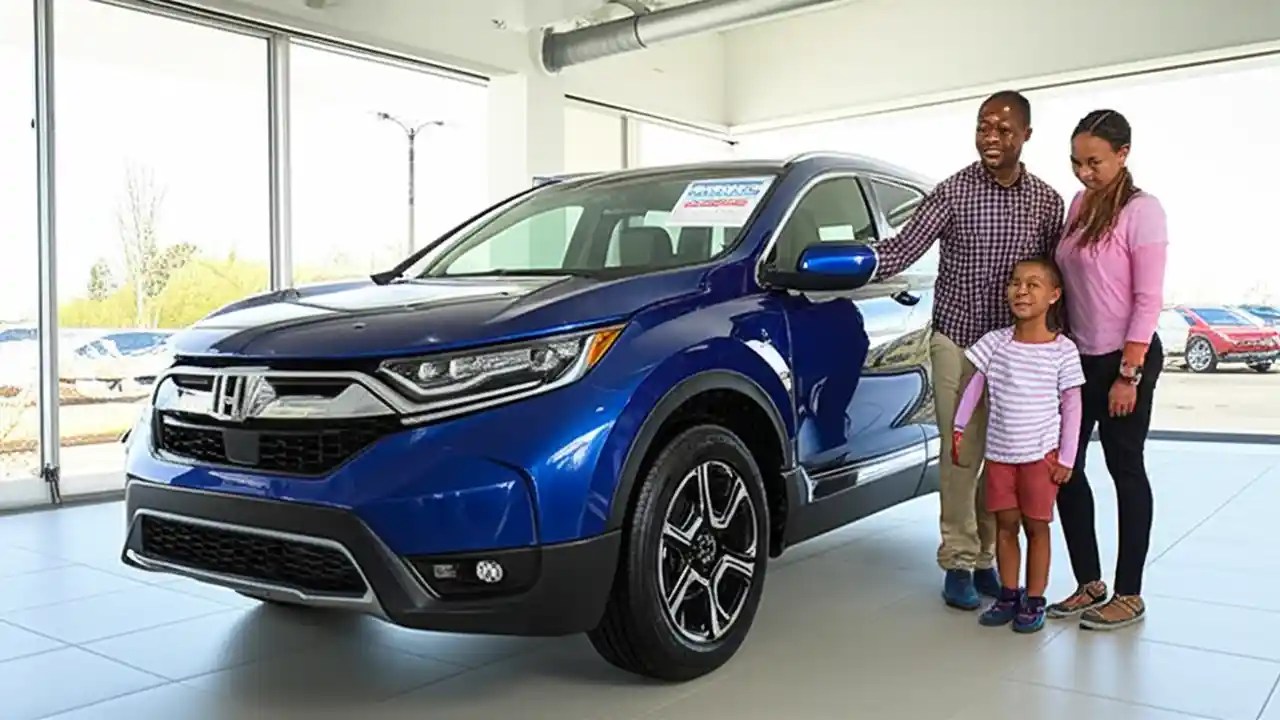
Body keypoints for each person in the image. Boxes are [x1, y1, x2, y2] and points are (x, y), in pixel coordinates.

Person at [873, 90, 1066, 610]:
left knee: (1003, 457)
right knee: (962, 457)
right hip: (957, 342)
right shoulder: (954, 192)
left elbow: (1050, 279)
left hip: (1014, 353)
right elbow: (902, 248)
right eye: (983, 126)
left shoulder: (1047, 202)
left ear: (1026, 136)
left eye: (1004, 129)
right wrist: (859, 261)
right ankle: (957, 559)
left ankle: (986, 556)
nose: (991, 137)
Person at [1047, 109, 1168, 630]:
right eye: (1076, 162)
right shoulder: (1078, 205)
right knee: (1065, 470)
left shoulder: (1144, 210)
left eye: (1094, 162)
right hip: (1079, 356)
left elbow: (1148, 297)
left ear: (1123, 155)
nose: (1084, 172)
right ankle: (1089, 583)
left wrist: (1130, 372)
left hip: (1125, 358)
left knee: (1125, 469)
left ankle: (1130, 592)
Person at [952, 257, 1085, 633]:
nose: (1021, 290)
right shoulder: (994, 343)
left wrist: (1068, 457)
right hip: (999, 455)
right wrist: (959, 427)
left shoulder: (1063, 351)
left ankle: (1035, 598)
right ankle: (1009, 594)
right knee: (1005, 525)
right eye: (1014, 283)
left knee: (1037, 527)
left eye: (1033, 284)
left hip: (1039, 457)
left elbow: (1072, 406)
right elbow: (975, 386)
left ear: (1054, 295)